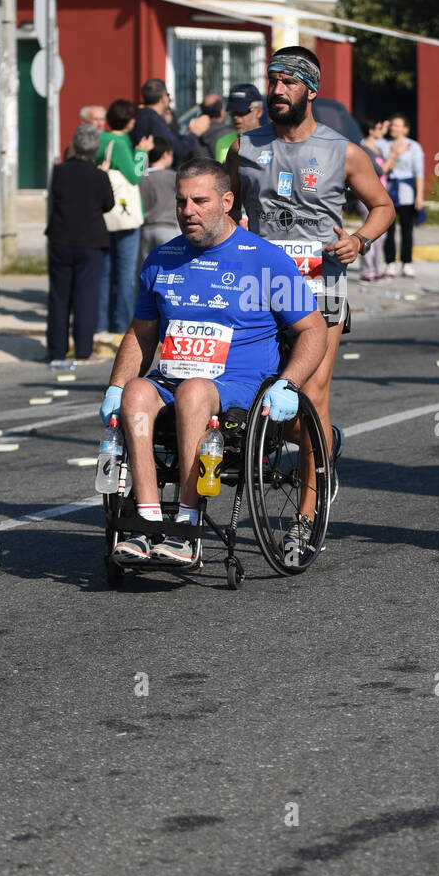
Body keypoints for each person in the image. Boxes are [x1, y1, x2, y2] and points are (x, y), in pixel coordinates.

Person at [100, 158, 328, 568]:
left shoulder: (266, 260)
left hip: (238, 385)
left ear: (226, 201)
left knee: (193, 392)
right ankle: (146, 522)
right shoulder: (161, 259)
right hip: (174, 377)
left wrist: (289, 383)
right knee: (135, 392)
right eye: (181, 201)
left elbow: (313, 330)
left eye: (199, 201)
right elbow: (142, 334)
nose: (187, 211)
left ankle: (186, 528)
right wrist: (117, 386)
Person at [227, 46, 394, 555]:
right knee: (264, 396)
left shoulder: (344, 151)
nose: (277, 91)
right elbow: (226, 211)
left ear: (311, 90)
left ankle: (306, 513)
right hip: (259, 285)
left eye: (289, 82)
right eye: (272, 81)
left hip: (319, 282)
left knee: (310, 393)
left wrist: (359, 241)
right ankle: (322, 444)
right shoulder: (244, 146)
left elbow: (383, 206)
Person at [45, 124, 114, 362]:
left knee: (59, 297)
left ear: (74, 145)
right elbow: (108, 204)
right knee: (86, 297)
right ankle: (83, 349)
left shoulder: (59, 171)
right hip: (91, 240)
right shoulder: (99, 176)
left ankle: (56, 350)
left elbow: (55, 197)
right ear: (95, 149)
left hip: (61, 237)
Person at [96, 99, 151, 336]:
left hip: (104, 215)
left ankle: (101, 324)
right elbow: (135, 175)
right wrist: (142, 152)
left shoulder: (101, 138)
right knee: (126, 274)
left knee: (105, 274)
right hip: (125, 217)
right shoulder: (119, 142)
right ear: (129, 121)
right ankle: (123, 325)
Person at [378, 115, 424, 278]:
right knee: (388, 229)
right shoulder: (383, 145)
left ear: (405, 129)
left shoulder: (414, 147)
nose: (394, 128)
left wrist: (419, 195)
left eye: (397, 126)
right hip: (388, 190)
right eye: (392, 125)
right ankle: (389, 262)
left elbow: (419, 172)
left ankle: (407, 262)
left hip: (406, 192)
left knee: (407, 229)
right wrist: (394, 153)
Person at [131, 78, 208, 162]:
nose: (169, 99)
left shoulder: (138, 114)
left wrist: (189, 133)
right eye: (168, 95)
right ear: (163, 98)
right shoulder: (153, 119)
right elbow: (177, 150)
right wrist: (194, 133)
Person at [137, 137, 177, 273]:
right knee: (168, 270)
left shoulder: (141, 177)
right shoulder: (173, 177)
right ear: (165, 155)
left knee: (147, 270)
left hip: (145, 229)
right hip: (168, 228)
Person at [356, 117, 388, 282]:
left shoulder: (378, 149)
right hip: (368, 197)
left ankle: (377, 269)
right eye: (379, 128)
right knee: (370, 233)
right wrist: (395, 155)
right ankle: (367, 270)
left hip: (382, 195)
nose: (382, 131)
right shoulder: (364, 150)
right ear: (371, 130)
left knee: (381, 235)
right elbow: (380, 170)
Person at [214, 84, 264, 164]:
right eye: (233, 112)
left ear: (259, 112)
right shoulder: (222, 143)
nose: (236, 117)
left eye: (241, 112)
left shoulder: (272, 141)